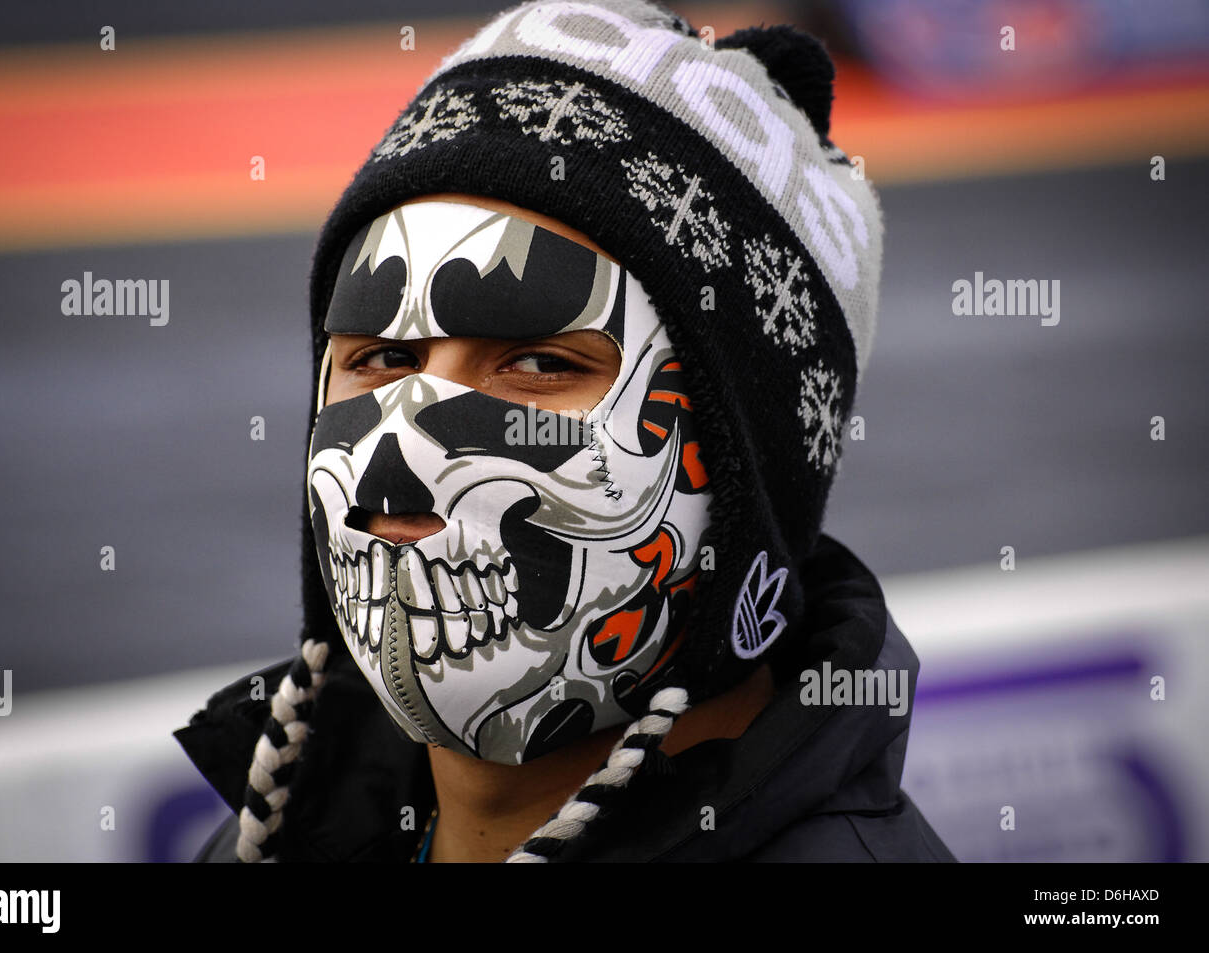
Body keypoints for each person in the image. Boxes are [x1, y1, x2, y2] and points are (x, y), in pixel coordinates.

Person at [174, 0, 956, 863]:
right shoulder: (283, 826)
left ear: (744, 471)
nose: (398, 468)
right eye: (381, 358)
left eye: (542, 365)